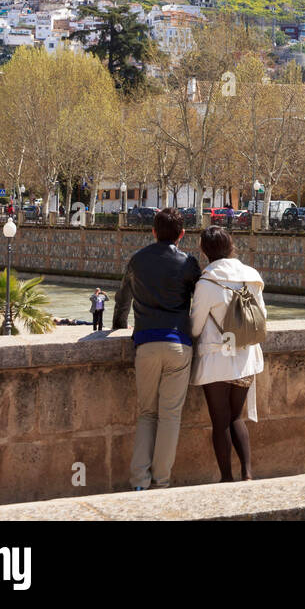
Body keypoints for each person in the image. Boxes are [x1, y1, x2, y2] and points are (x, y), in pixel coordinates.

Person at [112, 207, 202, 491]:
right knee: (170, 416)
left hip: (146, 343)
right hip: (178, 343)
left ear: (152, 232)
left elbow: (123, 295)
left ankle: (139, 481)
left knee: (146, 413)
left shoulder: (138, 260)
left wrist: (118, 323)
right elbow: (200, 300)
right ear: (182, 235)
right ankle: (161, 482)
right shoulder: (188, 262)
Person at [191, 226, 267, 483]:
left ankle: (226, 478)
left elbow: (195, 326)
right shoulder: (252, 275)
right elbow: (262, 317)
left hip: (216, 360)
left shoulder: (207, 282)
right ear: (231, 245)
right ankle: (247, 472)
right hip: (247, 357)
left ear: (204, 250)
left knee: (220, 420)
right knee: (237, 417)